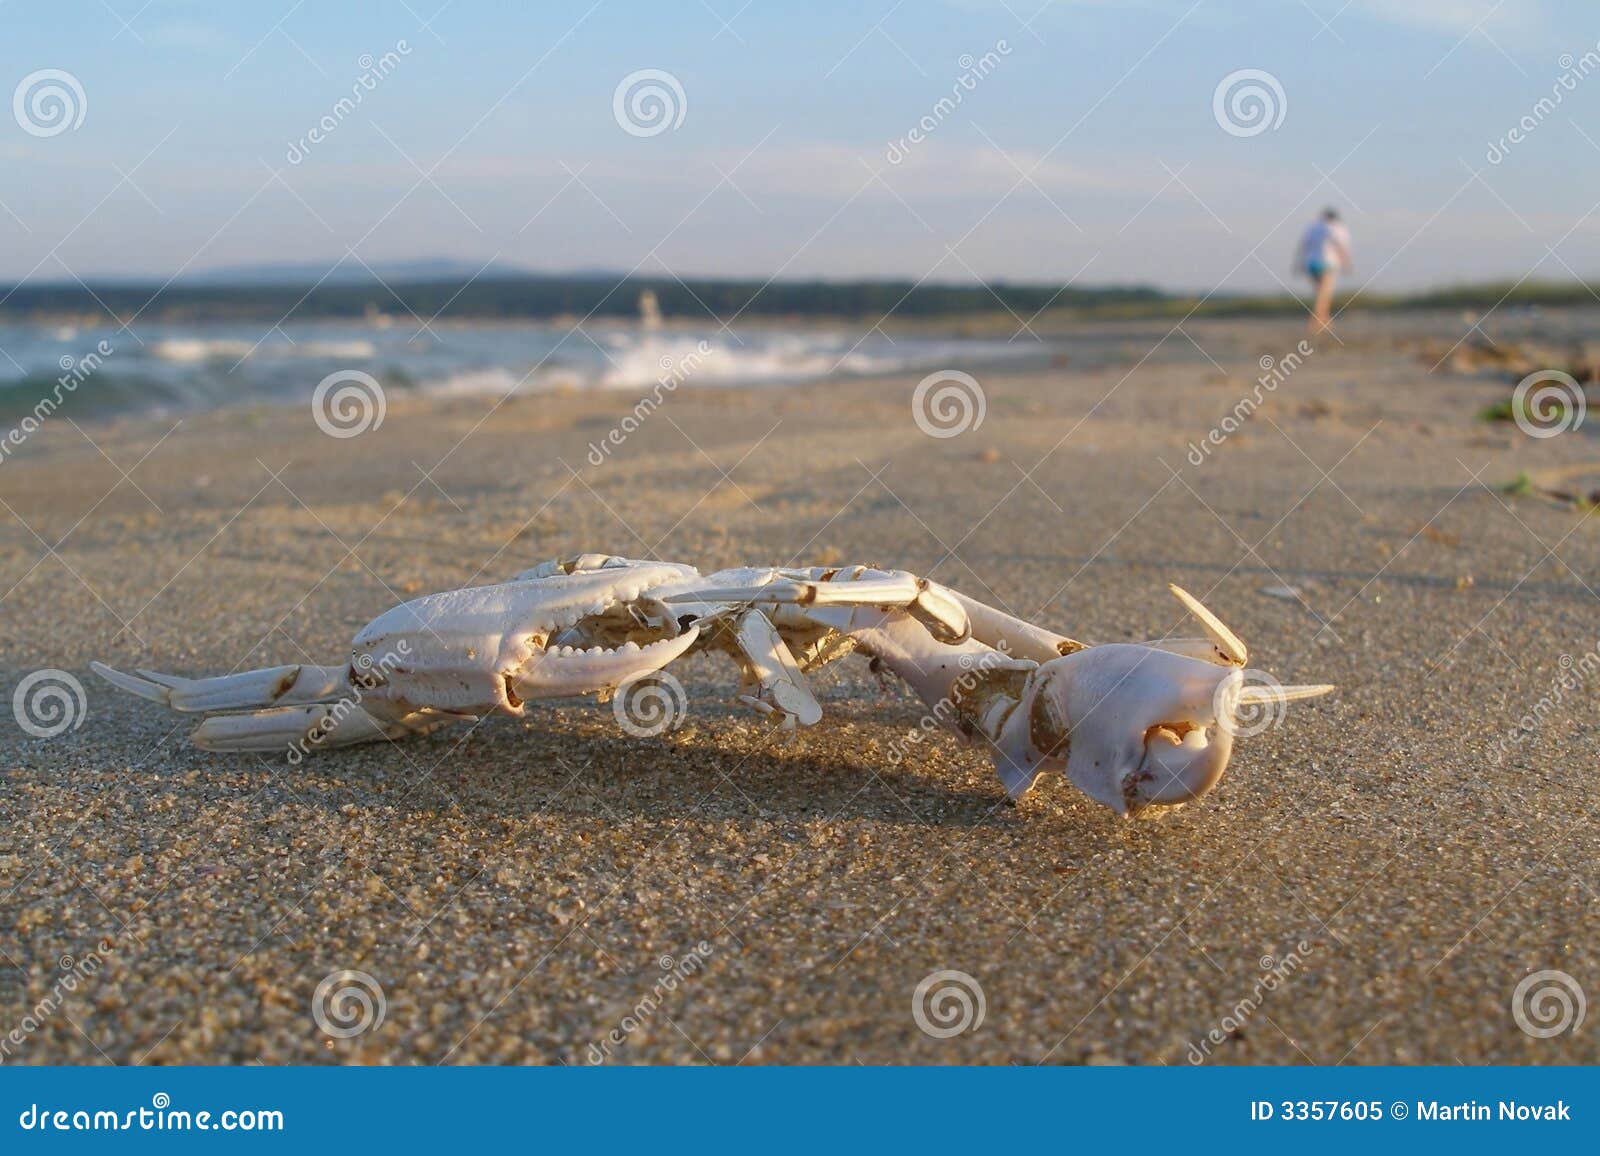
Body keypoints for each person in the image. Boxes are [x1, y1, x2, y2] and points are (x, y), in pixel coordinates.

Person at [1295, 208, 1352, 335]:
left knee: (1320, 294)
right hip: (1327, 263)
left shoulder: (1312, 227)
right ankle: (1314, 321)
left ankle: (1325, 321)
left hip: (1311, 263)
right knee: (1324, 294)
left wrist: (1298, 264)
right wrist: (1346, 263)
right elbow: (1340, 245)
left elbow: (1303, 246)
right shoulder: (1335, 227)